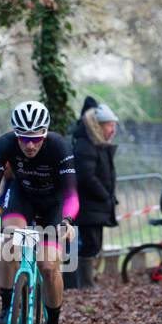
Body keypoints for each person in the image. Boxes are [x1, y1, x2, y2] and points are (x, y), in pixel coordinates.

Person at [0, 100, 78, 324]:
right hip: (22, 198)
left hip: (54, 204)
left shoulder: (59, 146)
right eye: (24, 138)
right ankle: (6, 308)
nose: (30, 145)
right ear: (16, 134)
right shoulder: (4, 144)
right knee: (9, 244)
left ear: (45, 134)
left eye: (36, 139)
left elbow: (71, 193)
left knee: (48, 265)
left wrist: (68, 220)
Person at [70, 97, 118, 289]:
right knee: (90, 244)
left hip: (95, 206)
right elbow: (86, 176)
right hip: (89, 206)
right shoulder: (85, 145)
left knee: (93, 244)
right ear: (98, 126)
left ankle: (88, 282)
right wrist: (105, 195)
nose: (113, 129)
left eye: (114, 125)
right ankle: (86, 284)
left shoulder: (96, 144)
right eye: (109, 125)